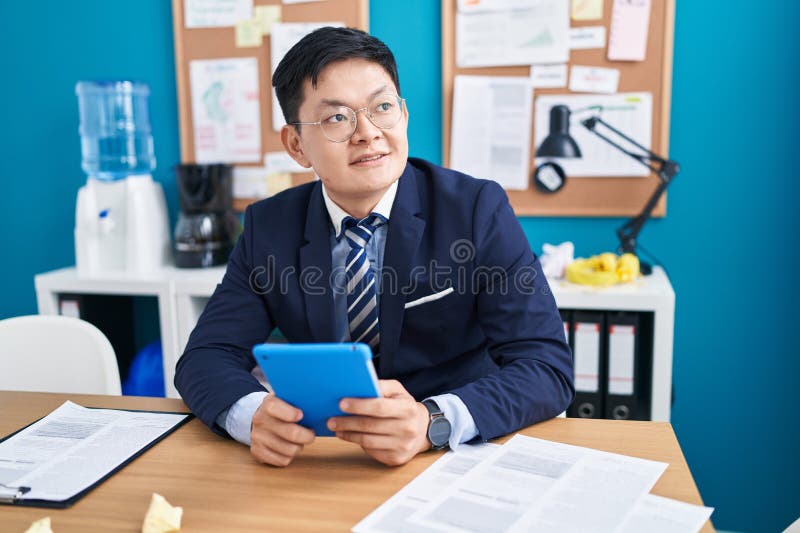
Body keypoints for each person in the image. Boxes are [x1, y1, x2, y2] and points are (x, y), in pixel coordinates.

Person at [175, 27, 573, 467]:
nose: (367, 133)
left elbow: (545, 365)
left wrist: (432, 421)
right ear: (296, 145)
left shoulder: (476, 209)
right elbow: (205, 357)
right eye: (337, 118)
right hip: (325, 457)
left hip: (454, 452)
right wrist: (251, 416)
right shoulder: (269, 227)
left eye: (382, 108)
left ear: (403, 115)